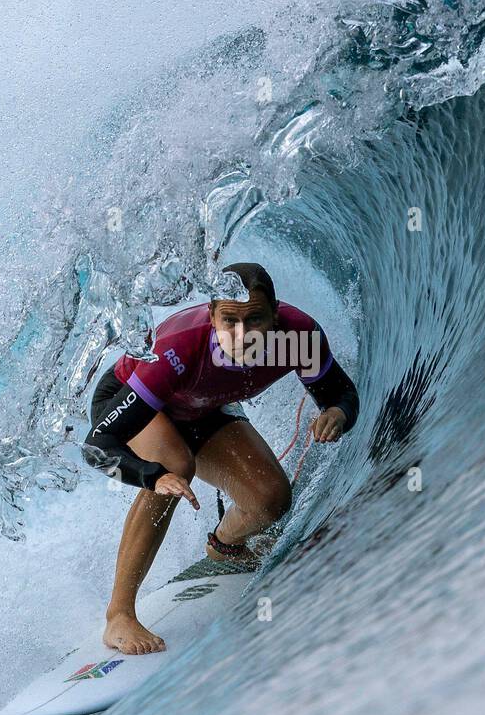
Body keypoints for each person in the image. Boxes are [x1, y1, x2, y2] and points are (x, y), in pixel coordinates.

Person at [83, 263, 359, 654]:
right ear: (212, 316)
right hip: (132, 401)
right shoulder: (177, 351)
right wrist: (151, 476)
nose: (241, 335)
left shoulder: (299, 336)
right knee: (176, 467)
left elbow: (340, 394)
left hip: (202, 409)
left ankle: (225, 546)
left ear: (275, 316)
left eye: (255, 320)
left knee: (270, 500)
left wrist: (337, 414)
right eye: (229, 321)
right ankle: (119, 616)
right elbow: (98, 445)